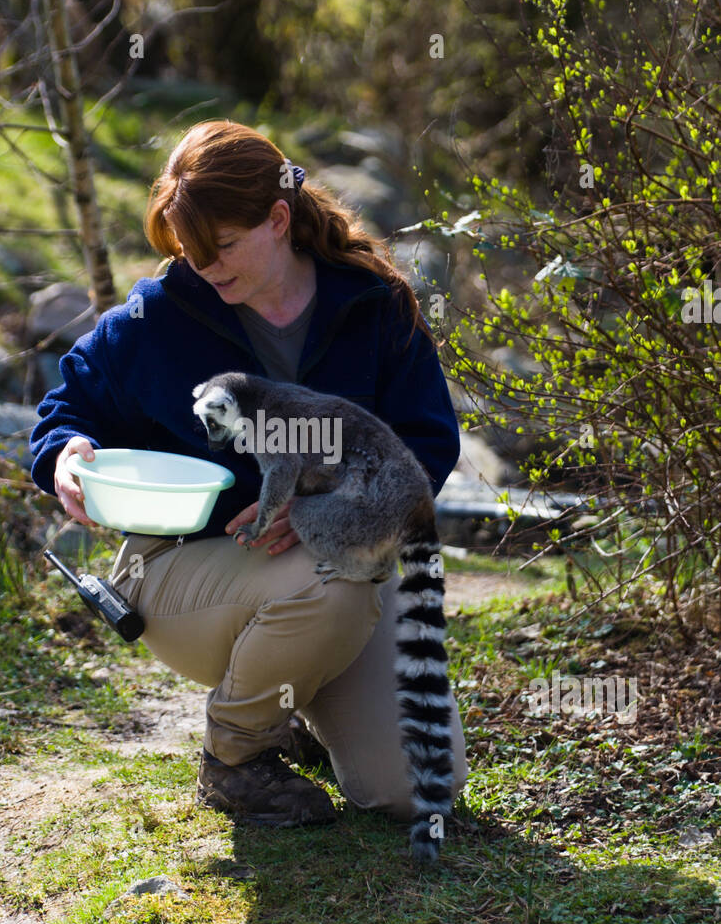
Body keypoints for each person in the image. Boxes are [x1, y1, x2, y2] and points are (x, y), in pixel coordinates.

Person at [30, 119, 467, 831]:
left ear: (278, 219)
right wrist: (67, 453)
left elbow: (426, 442)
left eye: (223, 247)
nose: (204, 269)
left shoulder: (373, 304)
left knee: (417, 789)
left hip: (341, 573)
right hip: (178, 574)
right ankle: (236, 758)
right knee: (329, 584)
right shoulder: (156, 318)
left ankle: (289, 708)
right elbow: (69, 403)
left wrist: (337, 508)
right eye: (187, 251)